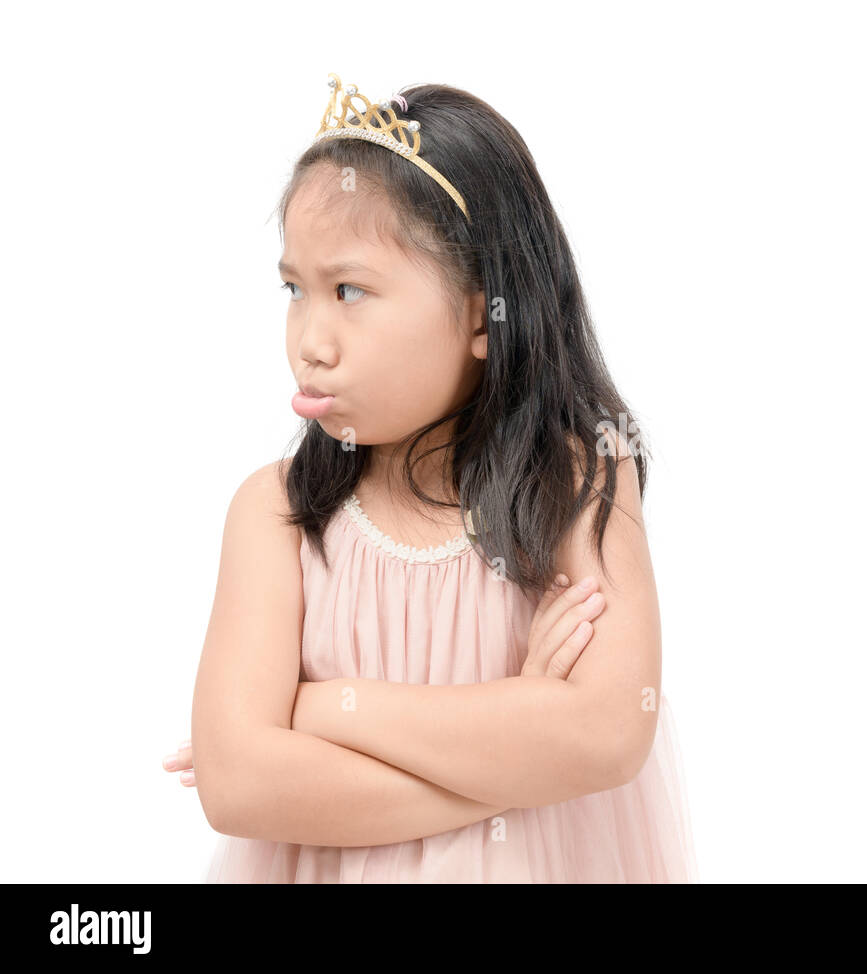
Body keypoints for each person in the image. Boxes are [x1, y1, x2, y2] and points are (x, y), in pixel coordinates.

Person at [160, 73, 698, 882]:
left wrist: (322, 710)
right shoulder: (274, 516)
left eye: (350, 291)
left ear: (485, 315)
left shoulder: (579, 483)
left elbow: (610, 735)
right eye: (295, 290)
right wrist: (517, 749)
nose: (311, 339)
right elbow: (237, 786)